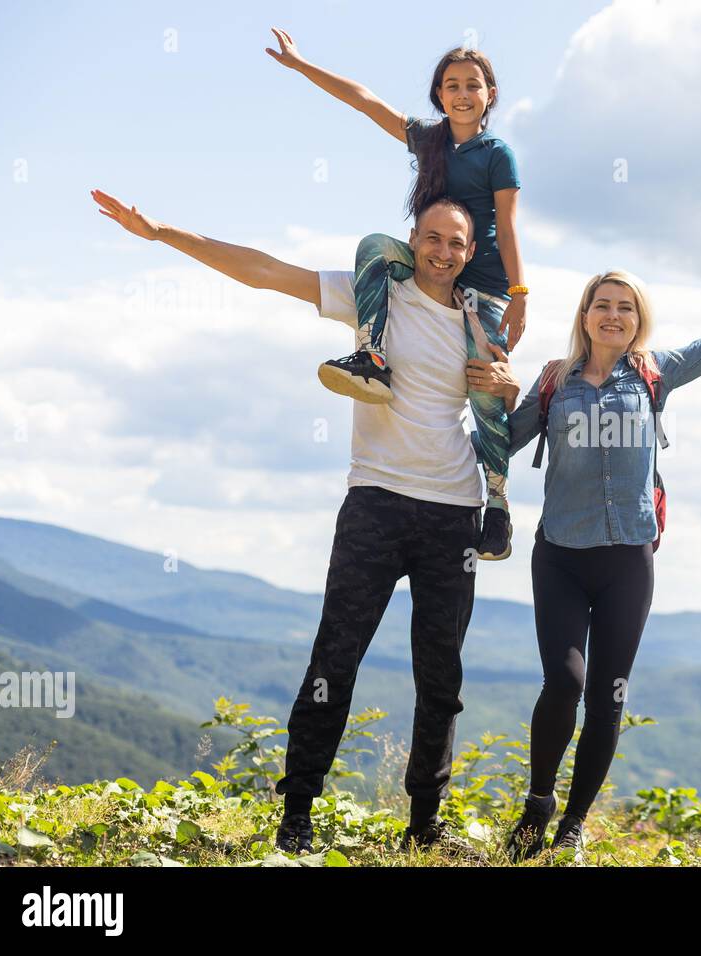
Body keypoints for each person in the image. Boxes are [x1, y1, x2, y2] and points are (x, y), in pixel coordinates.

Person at [90, 187, 520, 856]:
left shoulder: (478, 322)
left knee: (442, 677)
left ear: (468, 254)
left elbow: (499, 416)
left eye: (456, 243)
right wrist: (162, 233)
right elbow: (265, 271)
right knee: (334, 660)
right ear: (413, 239)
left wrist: (508, 386)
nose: (442, 251)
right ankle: (296, 814)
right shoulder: (375, 290)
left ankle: (424, 826)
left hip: (454, 512)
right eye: (432, 237)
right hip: (375, 502)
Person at [467, 269, 701, 861]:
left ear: (638, 320)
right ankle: (538, 803)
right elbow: (509, 437)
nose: (612, 315)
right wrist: (501, 393)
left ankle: (573, 824)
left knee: (607, 695)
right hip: (559, 554)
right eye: (601, 305)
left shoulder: (655, 372)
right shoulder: (556, 380)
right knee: (565, 682)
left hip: (629, 557)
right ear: (584, 316)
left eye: (624, 308)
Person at [267, 30, 526, 561]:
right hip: (430, 259)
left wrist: (519, 293)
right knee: (375, 248)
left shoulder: (496, 152)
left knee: (483, 381)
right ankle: (372, 355)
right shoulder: (428, 141)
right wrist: (301, 66)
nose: (461, 94)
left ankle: (497, 502)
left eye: (471, 85)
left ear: (489, 95)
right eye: (450, 85)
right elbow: (364, 101)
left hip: (484, 282)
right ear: (438, 94)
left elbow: (507, 222)